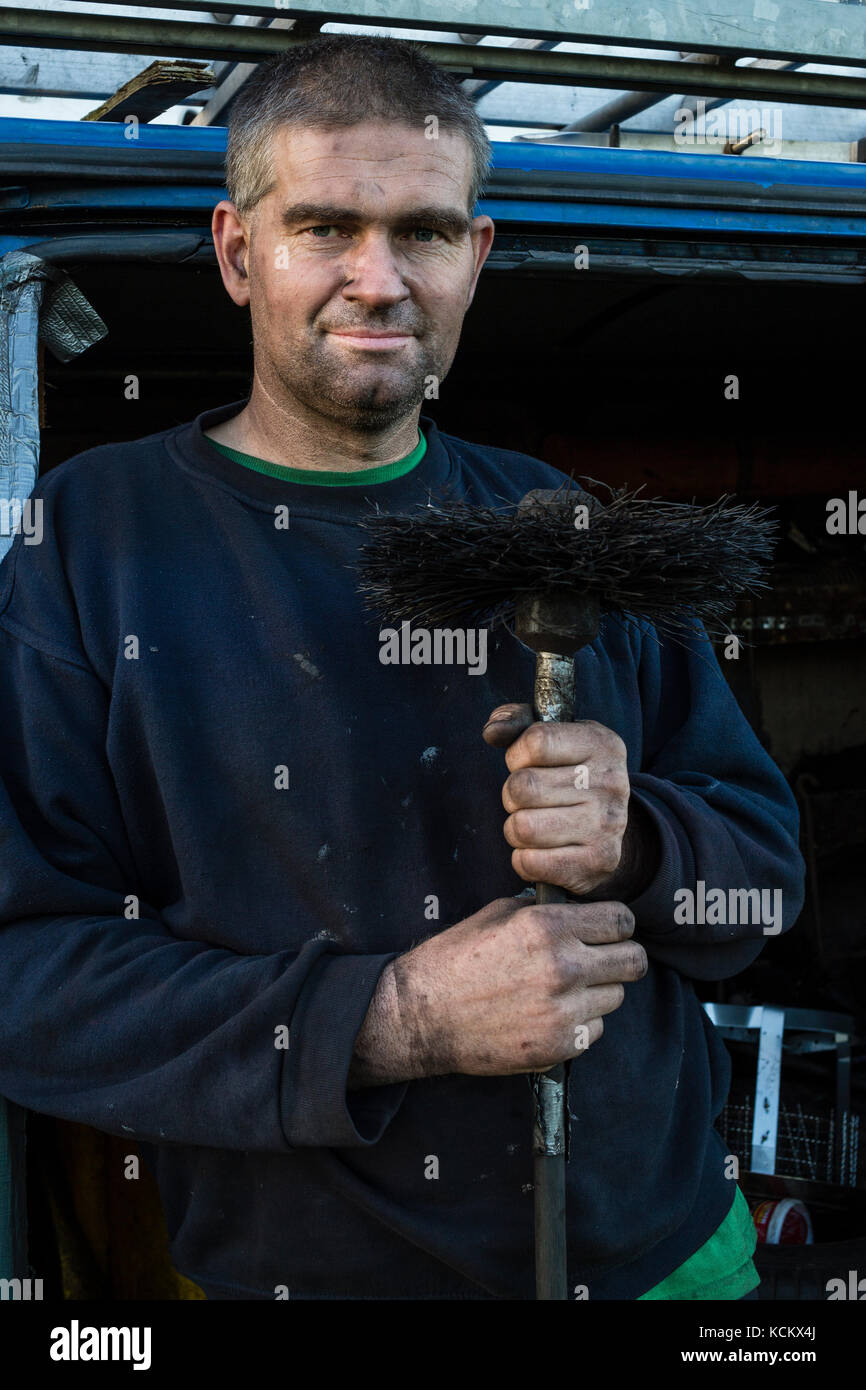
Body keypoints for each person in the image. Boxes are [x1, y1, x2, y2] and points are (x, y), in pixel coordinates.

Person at [0, 34, 803, 1300]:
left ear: (472, 260)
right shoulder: (90, 546)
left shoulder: (557, 523)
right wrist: (397, 1017)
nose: (377, 280)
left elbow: (759, 891)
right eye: (324, 226)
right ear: (234, 251)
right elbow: (27, 982)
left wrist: (639, 843)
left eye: (423, 232)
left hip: (671, 1261)